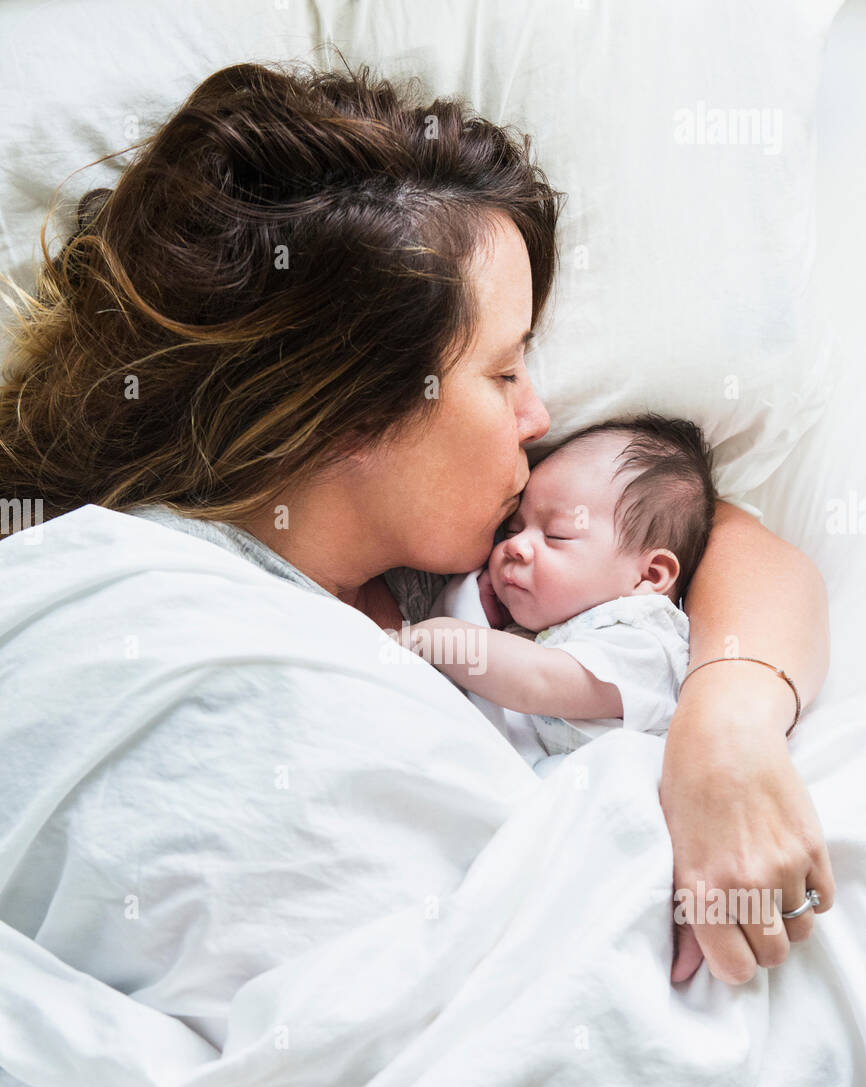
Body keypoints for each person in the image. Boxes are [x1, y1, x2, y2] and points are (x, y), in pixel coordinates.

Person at [0, 60, 833, 995]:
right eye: (506, 371)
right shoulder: (136, 606)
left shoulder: (488, 537)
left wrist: (726, 736)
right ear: (357, 407)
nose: (537, 413)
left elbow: (735, 544)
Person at [398, 415, 714, 766]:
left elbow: (538, 680)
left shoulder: (645, 641)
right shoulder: (562, 626)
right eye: (513, 528)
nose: (516, 545)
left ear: (649, 575)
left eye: (555, 535)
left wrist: (440, 637)